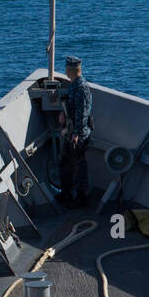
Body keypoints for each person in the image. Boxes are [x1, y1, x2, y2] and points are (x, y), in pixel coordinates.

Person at [57, 55, 93, 208]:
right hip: (71, 131)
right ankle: (66, 194)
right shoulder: (74, 86)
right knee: (66, 164)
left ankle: (81, 197)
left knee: (78, 166)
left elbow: (82, 112)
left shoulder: (81, 87)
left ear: (70, 70)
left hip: (78, 134)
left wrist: (76, 134)